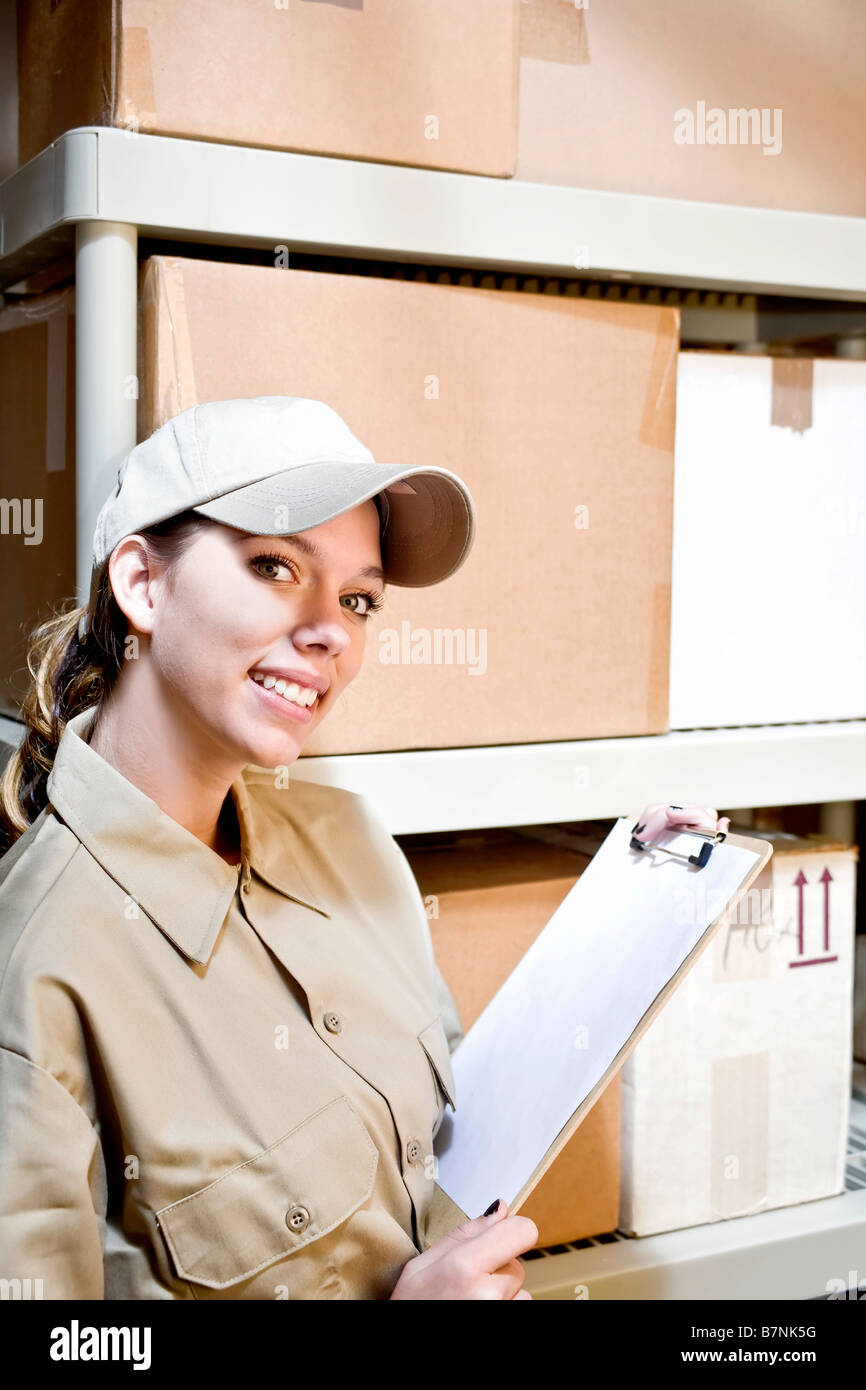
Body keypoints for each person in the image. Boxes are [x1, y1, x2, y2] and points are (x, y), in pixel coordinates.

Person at [0, 395, 728, 1300]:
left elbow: (465, 1125)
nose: (333, 632)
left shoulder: (351, 841)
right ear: (144, 585)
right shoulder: (34, 976)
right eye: (274, 565)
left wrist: (625, 902)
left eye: (358, 598)